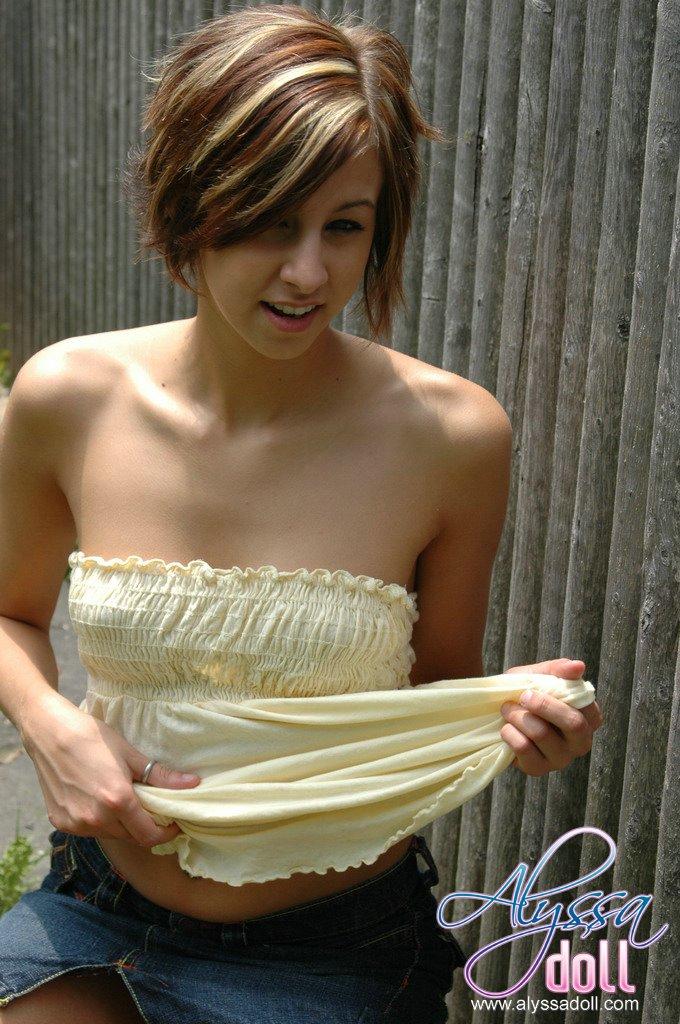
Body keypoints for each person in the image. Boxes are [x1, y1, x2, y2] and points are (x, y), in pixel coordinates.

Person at [0, 4, 602, 1022]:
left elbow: (431, 699)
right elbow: (11, 614)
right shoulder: (67, 395)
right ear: (189, 199)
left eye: (345, 226)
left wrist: (513, 723)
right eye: (271, 219)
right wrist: (52, 725)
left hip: (330, 941)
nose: (310, 272)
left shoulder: (452, 436)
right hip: (96, 899)